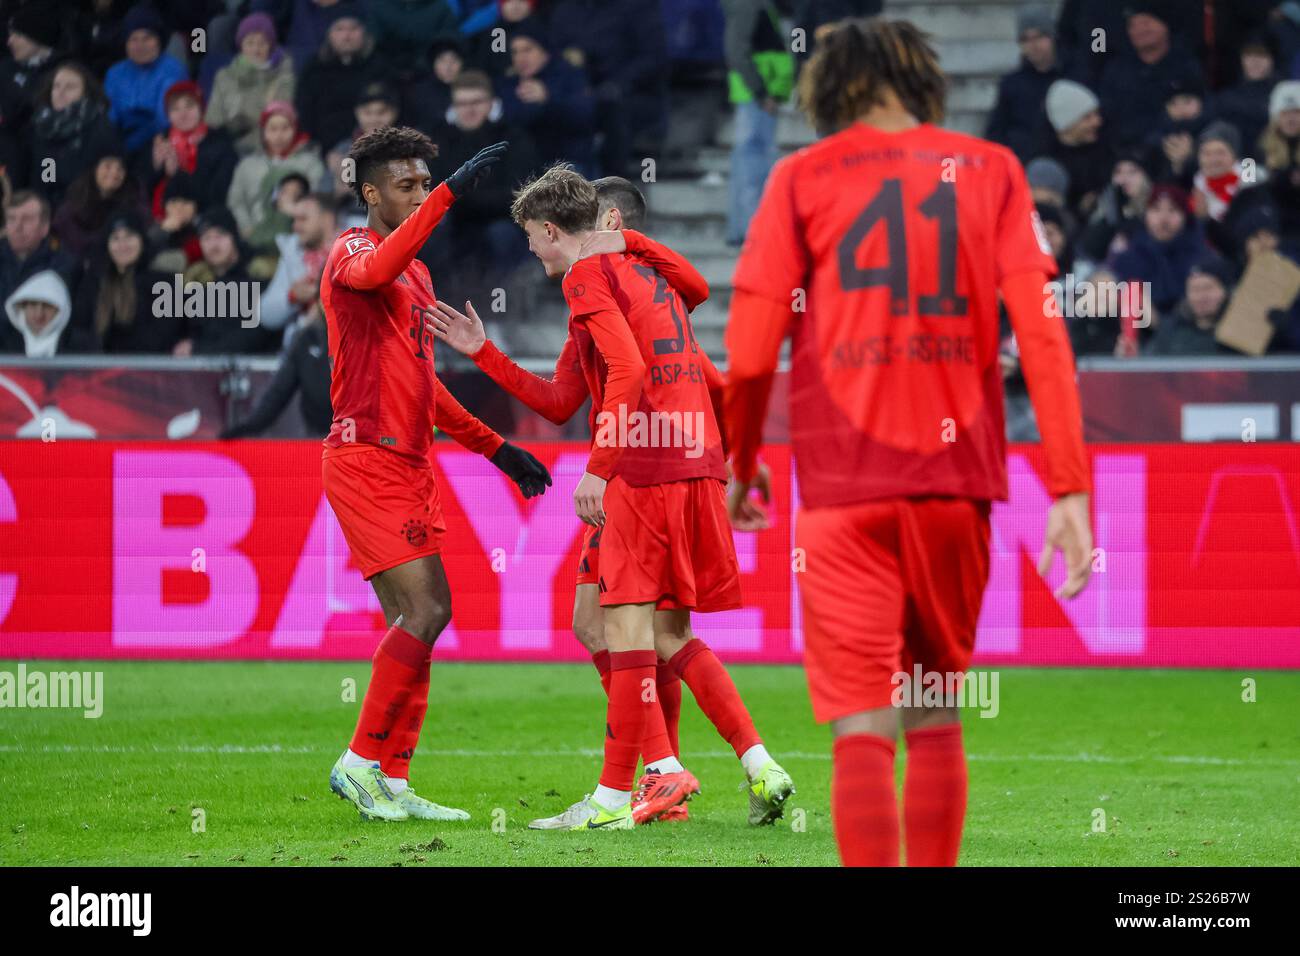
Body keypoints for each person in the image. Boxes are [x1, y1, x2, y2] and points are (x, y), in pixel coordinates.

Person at [723, 18, 1093, 866]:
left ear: (829, 87)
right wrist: (1070, 486)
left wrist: (741, 467)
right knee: (932, 711)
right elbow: (1042, 335)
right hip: (954, 489)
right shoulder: (992, 169)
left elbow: (747, 356)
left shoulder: (798, 177)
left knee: (863, 725)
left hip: (841, 494)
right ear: (923, 78)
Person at [437, 165, 793, 830]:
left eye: (532, 239)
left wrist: (598, 469)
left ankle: (633, 785)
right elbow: (564, 397)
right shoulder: (652, 281)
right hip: (693, 463)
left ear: (559, 229)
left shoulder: (588, 277)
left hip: (642, 468)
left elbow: (627, 372)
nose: (532, 251)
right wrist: (484, 352)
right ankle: (756, 765)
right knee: (645, 628)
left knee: (624, 627)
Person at [320, 126, 551, 822]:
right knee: (428, 611)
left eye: (425, 182)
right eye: (406, 184)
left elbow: (427, 388)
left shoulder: (415, 273)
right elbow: (374, 271)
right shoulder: (352, 253)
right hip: (365, 459)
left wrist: (498, 449)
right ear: (370, 193)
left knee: (412, 619)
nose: (418, 191)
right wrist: (450, 194)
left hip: (409, 461)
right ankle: (358, 761)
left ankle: (390, 776)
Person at [723, 0, 795, 245]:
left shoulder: (760, 5)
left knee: (753, 161)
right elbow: (736, 50)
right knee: (753, 163)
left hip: (759, 94)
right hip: (756, 96)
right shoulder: (747, 6)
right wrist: (761, 91)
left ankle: (745, 230)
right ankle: (750, 231)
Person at [219, 302, 333, 437]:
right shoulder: (307, 339)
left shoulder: (362, 337)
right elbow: (278, 393)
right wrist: (248, 427)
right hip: (319, 441)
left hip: (359, 440)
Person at [72, 212, 178, 353]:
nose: (122, 245)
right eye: (115, 238)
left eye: (129, 236)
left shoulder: (164, 283)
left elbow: (166, 336)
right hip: (99, 369)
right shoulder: (93, 283)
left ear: (141, 240)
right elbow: (79, 329)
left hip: (147, 368)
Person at [26, 62, 122, 207]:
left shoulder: (101, 127)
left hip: (89, 208)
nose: (60, 92)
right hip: (52, 209)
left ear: (85, 93)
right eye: (56, 86)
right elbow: (46, 177)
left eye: (70, 87)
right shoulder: (45, 126)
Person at [227, 102, 326, 241]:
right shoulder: (247, 165)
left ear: (295, 129)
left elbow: (316, 197)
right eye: (272, 129)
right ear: (263, 132)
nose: (279, 136)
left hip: (297, 235)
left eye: (285, 128)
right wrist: (246, 227)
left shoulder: (310, 162)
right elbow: (236, 202)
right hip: (255, 235)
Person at [296, 9, 391, 152]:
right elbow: (305, 114)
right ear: (329, 34)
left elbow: (389, 111)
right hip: (324, 149)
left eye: (353, 28)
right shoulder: (314, 69)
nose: (347, 36)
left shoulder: (380, 66)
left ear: (364, 32)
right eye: (339, 29)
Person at [205, 13, 298, 156]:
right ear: (241, 46)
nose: (256, 50)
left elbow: (283, 117)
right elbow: (213, 120)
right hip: (231, 147)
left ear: (271, 46)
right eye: (250, 43)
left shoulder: (284, 76)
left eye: (262, 43)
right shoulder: (225, 76)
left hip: (272, 146)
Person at [103, 4, 187, 161]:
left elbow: (164, 119)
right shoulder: (115, 73)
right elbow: (109, 117)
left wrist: (130, 145)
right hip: (120, 140)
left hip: (158, 140)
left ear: (158, 41)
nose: (140, 46)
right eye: (133, 39)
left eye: (147, 38)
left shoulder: (172, 68)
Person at [0, 191, 80, 353]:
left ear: (45, 228)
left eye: (27, 219)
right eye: (12, 219)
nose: (18, 227)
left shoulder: (64, 265)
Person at [985, 7, 1066, 163]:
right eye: (1026, 39)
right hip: (1023, 165)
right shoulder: (1011, 84)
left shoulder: (1071, 76)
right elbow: (996, 132)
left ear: (1052, 37)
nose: (1033, 45)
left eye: (1039, 37)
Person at [260, 192, 339, 335]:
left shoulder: (355, 250)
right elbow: (265, 315)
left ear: (327, 219)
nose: (295, 226)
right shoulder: (292, 253)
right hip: (302, 349)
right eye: (294, 220)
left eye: (303, 219)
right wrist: (292, 297)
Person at [52, 153, 148, 261]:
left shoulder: (133, 203)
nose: (114, 172)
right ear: (94, 169)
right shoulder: (69, 208)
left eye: (120, 168)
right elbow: (54, 239)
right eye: (108, 166)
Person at [2, 269, 78, 357]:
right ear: (23, 308)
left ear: (61, 311)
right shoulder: (5, 343)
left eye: (47, 306)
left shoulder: (82, 346)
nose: (39, 314)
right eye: (33, 304)